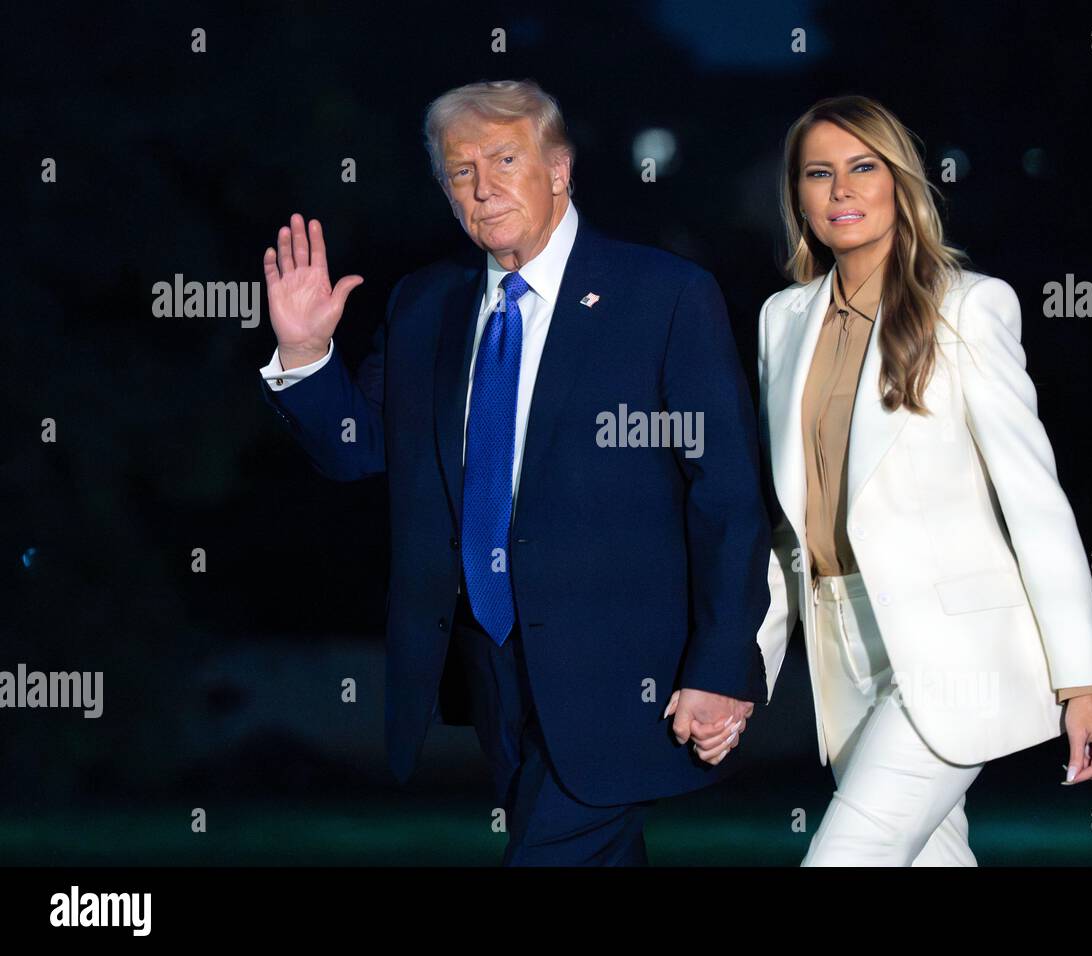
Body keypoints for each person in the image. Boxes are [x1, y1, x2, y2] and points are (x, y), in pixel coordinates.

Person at [257, 79, 769, 865]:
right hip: (486, 661)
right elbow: (359, 449)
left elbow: (728, 498)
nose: (484, 187)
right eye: (461, 171)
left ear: (558, 169)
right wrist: (304, 355)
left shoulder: (663, 297)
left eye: (504, 159)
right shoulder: (425, 306)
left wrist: (723, 663)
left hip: (622, 674)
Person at [752, 95, 1092, 865]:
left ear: (901, 184)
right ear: (798, 196)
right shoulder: (781, 320)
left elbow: (1035, 503)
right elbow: (793, 520)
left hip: (956, 653)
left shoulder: (968, 308)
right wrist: (747, 663)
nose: (842, 190)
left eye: (864, 168)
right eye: (819, 173)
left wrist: (1082, 683)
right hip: (840, 644)